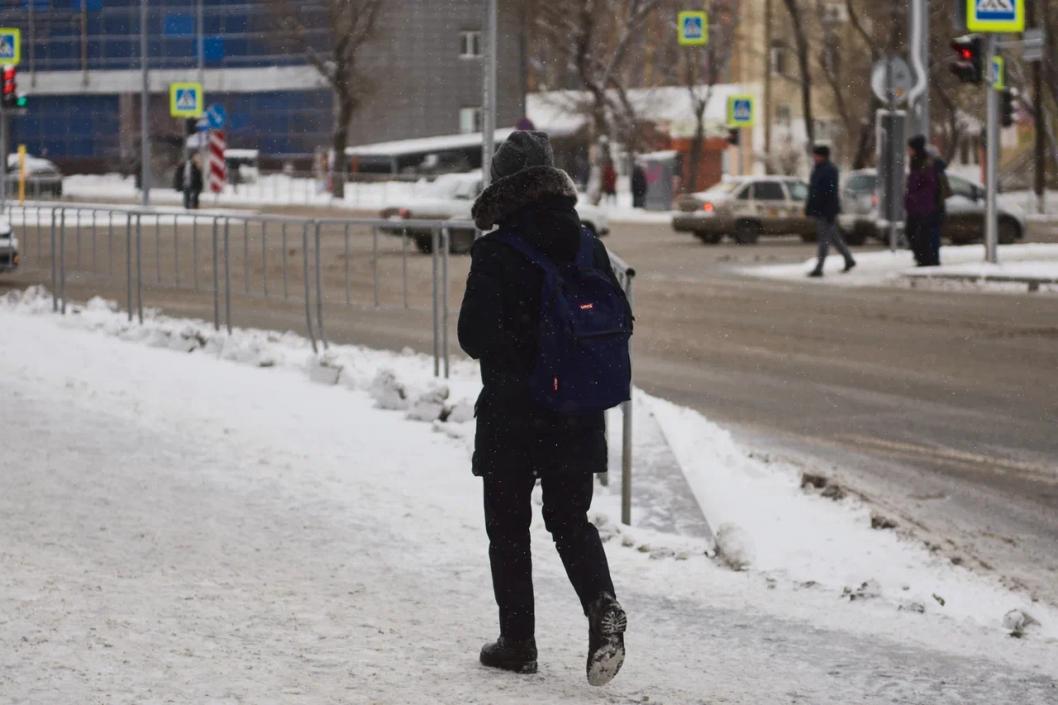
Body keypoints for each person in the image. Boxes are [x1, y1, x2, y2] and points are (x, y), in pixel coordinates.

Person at [459, 130, 629, 687]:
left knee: (509, 526)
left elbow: (473, 335)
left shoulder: (497, 249)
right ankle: (601, 603)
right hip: (578, 406)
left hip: (515, 407)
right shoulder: (588, 243)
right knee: (568, 519)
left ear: (501, 185)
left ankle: (518, 641)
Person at [805, 145, 855, 277]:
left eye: (816, 155)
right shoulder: (819, 169)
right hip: (821, 210)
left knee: (824, 240)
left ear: (822, 156)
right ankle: (849, 259)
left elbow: (829, 193)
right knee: (833, 237)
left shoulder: (828, 170)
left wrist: (828, 211)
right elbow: (814, 191)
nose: (814, 158)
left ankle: (819, 267)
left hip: (826, 211)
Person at [905, 136, 950, 266]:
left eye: (910, 148)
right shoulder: (916, 162)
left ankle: (928, 259)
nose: (908, 151)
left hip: (928, 207)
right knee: (915, 233)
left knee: (926, 234)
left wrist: (915, 200)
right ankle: (923, 258)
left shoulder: (926, 164)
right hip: (920, 207)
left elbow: (928, 187)